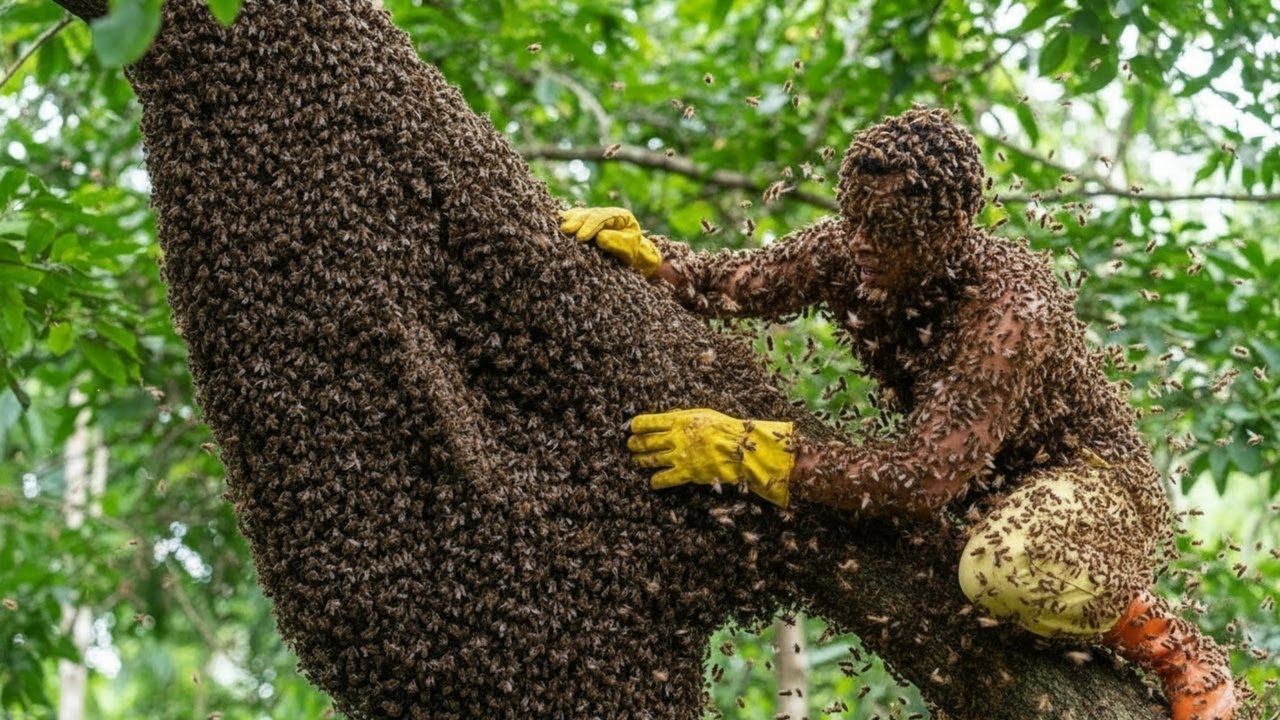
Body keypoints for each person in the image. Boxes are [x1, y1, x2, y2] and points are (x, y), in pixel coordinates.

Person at [559, 107, 1238, 720]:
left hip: (1094, 485)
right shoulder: (847, 247)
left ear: (950, 229)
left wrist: (749, 452)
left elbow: (924, 479)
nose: (859, 243)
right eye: (853, 217)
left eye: (886, 231)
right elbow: (726, 284)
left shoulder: (1007, 312)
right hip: (988, 490)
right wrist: (650, 258)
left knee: (1003, 573)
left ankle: (1178, 651)